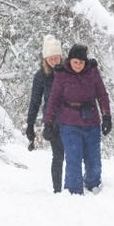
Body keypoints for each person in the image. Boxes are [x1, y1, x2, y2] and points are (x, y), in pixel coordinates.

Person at [43, 43, 112, 195]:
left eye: (81, 62)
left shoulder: (92, 72)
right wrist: (48, 122)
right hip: (69, 123)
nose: (78, 65)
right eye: (75, 62)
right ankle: (73, 192)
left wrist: (107, 116)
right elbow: (54, 100)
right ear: (70, 60)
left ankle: (93, 186)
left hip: (91, 122)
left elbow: (102, 94)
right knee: (73, 159)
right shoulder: (62, 74)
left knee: (93, 161)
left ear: (85, 62)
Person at [26, 34, 65, 193]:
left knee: (75, 155)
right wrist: (30, 124)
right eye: (51, 59)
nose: (54, 62)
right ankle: (57, 189)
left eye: (57, 58)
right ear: (45, 59)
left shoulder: (69, 71)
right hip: (52, 121)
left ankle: (74, 186)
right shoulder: (41, 76)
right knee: (58, 155)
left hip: (72, 119)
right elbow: (35, 102)